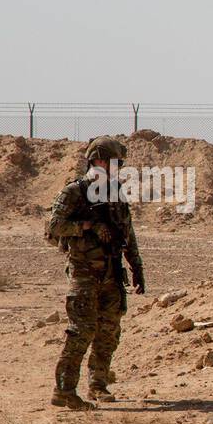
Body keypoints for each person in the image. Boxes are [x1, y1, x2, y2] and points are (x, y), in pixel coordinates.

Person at [45, 136, 145, 409]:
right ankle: (64, 390)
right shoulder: (74, 192)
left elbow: (127, 232)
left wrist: (136, 266)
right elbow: (53, 227)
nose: (119, 167)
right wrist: (86, 226)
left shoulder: (115, 192)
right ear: (99, 160)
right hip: (84, 273)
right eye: (116, 162)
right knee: (82, 330)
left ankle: (98, 385)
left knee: (109, 331)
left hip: (112, 272)